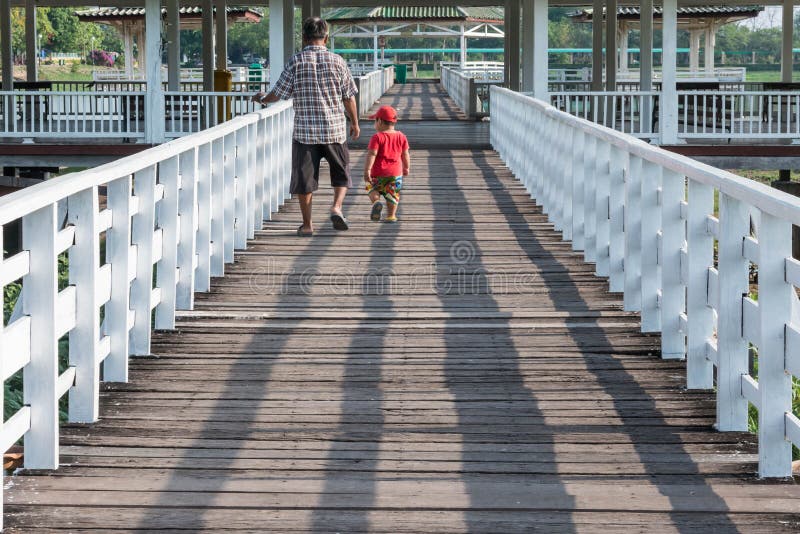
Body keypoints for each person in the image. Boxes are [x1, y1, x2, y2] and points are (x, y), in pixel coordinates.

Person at [252, 17, 359, 236]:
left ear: (304, 37)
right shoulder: (338, 61)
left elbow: (278, 94)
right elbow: (348, 97)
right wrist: (355, 122)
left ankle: (307, 225)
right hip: (334, 130)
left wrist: (262, 98)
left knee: (304, 181)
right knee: (341, 173)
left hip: (305, 133)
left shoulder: (295, 62)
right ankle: (336, 207)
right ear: (326, 36)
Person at [363, 105, 410, 223]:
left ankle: (376, 202)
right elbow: (405, 154)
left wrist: (367, 170)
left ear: (379, 121)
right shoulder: (401, 136)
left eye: (375, 121)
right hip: (395, 174)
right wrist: (406, 167)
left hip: (378, 173)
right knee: (392, 195)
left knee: (371, 187)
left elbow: (372, 154)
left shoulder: (377, 137)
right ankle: (391, 216)